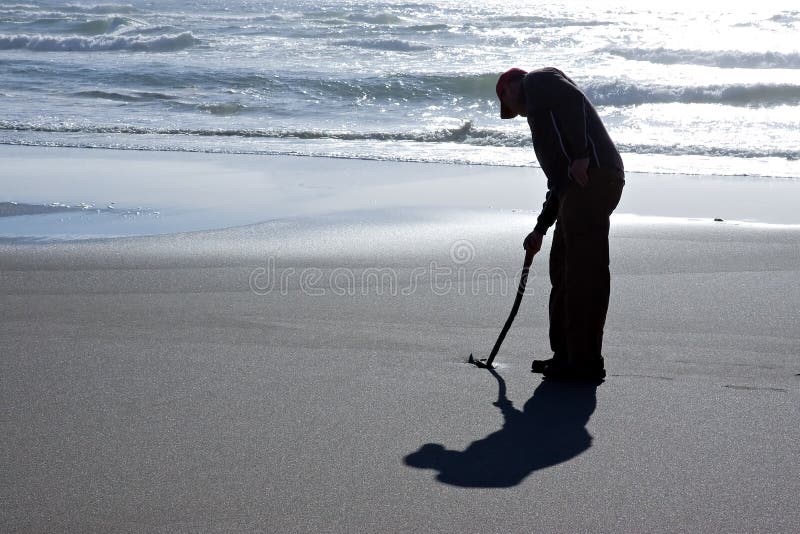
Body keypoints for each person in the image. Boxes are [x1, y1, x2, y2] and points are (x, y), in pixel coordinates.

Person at [495, 67, 625, 382]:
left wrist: (581, 155)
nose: (515, 111)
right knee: (563, 270)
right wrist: (540, 228)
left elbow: (572, 100)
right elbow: (560, 186)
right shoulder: (542, 112)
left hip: (594, 179)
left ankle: (584, 362)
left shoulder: (537, 81)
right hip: (577, 189)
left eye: (508, 103)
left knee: (583, 275)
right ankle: (566, 355)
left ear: (511, 85)